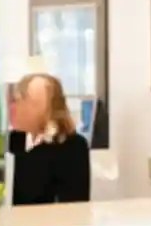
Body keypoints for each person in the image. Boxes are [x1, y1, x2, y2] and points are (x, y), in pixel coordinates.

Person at [7, 73, 90, 204]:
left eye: (23, 99)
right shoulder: (12, 141)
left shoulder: (72, 146)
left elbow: (73, 202)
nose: (15, 107)